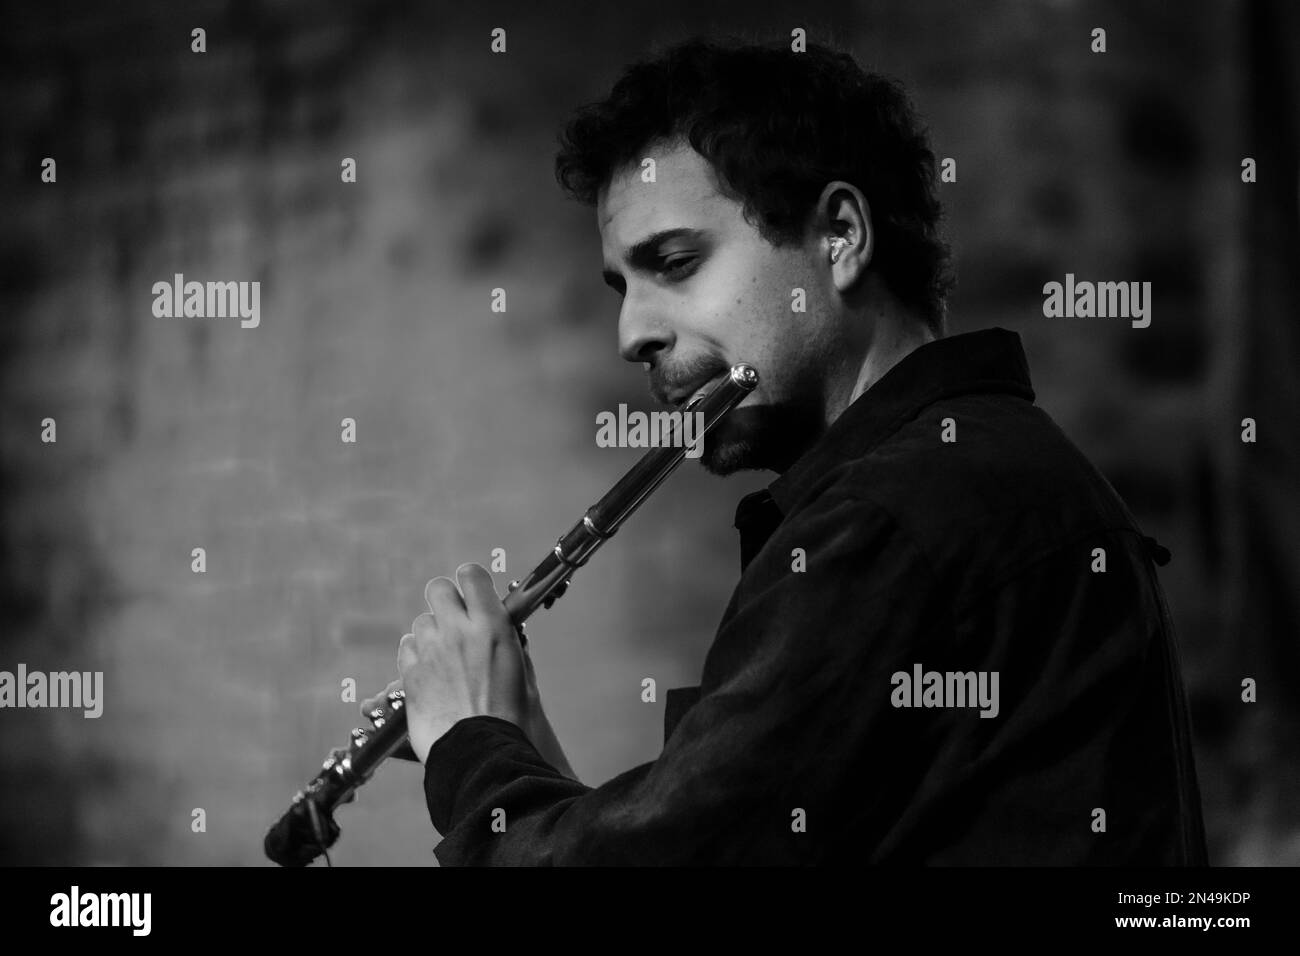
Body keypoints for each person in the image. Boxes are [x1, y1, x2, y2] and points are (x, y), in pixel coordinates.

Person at [364, 37, 1209, 865]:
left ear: (839, 235)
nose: (631, 334)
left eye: (677, 262)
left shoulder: (891, 520)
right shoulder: (975, 470)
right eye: (623, 287)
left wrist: (473, 755)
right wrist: (526, 757)